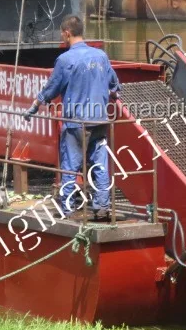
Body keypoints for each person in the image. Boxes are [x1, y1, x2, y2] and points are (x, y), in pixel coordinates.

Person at [26, 16, 119, 220]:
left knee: (70, 166)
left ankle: (67, 209)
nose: (62, 37)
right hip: (100, 120)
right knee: (100, 164)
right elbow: (114, 85)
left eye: (62, 34)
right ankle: (102, 206)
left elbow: (51, 88)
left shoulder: (65, 60)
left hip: (76, 123)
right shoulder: (101, 56)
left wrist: (34, 106)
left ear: (67, 33)